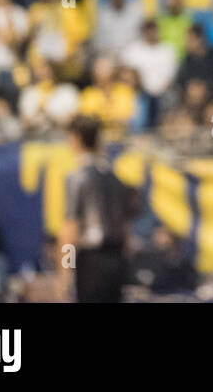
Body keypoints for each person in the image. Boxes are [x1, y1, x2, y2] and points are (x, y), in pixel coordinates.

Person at [61, 115, 134, 302]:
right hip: (116, 259)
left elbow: (70, 228)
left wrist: (65, 273)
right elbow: (126, 226)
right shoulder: (115, 177)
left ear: (76, 138)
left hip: (92, 262)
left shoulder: (77, 177)